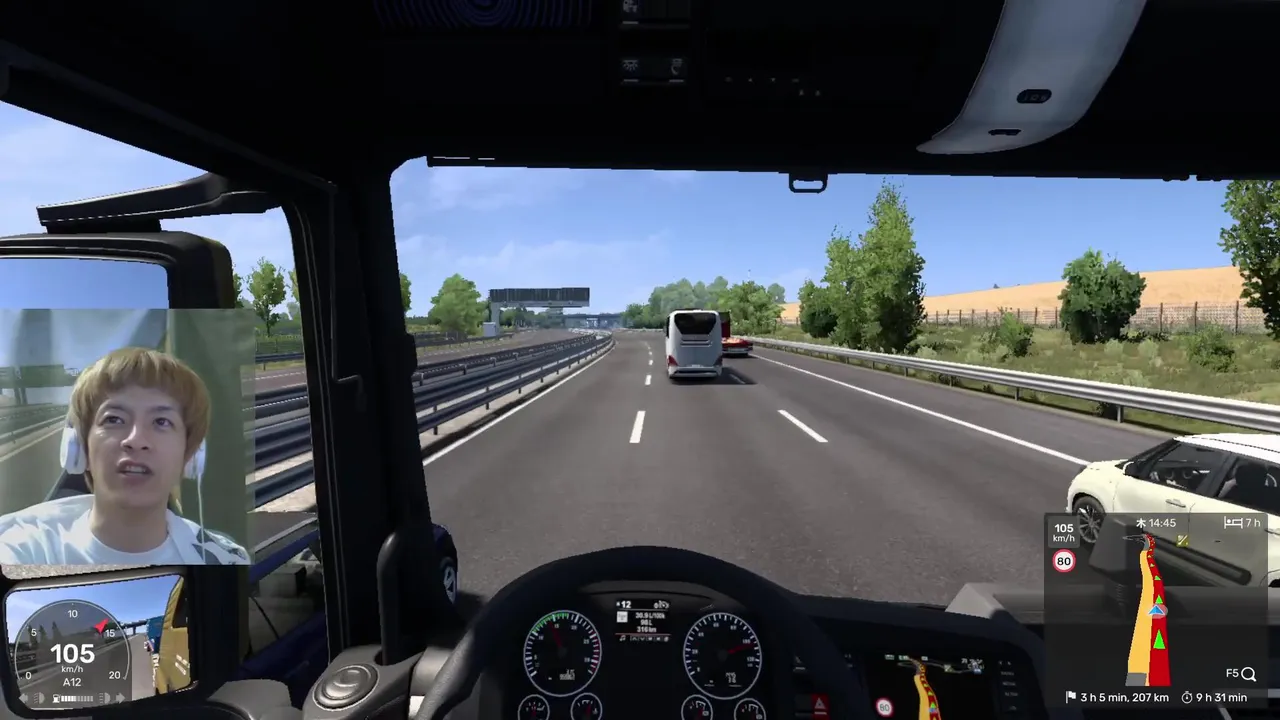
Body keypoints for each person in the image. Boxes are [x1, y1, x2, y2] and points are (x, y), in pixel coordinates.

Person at [0, 347, 249, 565]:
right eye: (114, 419)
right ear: (79, 446)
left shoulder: (225, 559)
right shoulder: (20, 547)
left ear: (191, 454)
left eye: (161, 422)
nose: (136, 440)